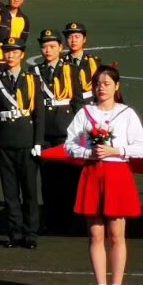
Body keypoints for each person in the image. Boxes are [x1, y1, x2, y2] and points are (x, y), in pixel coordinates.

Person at [63, 67, 143, 285]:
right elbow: (69, 144)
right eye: (98, 84)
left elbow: (142, 148)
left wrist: (116, 150)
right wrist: (87, 153)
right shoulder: (86, 113)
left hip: (117, 173)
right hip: (92, 173)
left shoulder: (127, 114)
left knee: (117, 235)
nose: (102, 88)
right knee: (95, 234)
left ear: (116, 86)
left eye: (107, 83)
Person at [0, 41, 42, 249]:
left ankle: (30, 232)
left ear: (22, 55)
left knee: (29, 191)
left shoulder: (32, 79)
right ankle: (14, 232)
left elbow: (39, 113)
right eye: (7, 52)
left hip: (27, 141)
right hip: (4, 141)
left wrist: (37, 140)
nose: (10, 56)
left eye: (15, 52)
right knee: (10, 192)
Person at [34, 29, 80, 235]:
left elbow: (78, 101)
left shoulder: (71, 70)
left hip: (65, 129)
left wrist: (81, 131)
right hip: (44, 131)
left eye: (52, 46)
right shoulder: (35, 71)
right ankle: (51, 219)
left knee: (70, 178)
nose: (47, 50)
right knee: (47, 178)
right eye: (44, 46)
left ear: (61, 48)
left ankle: (70, 218)